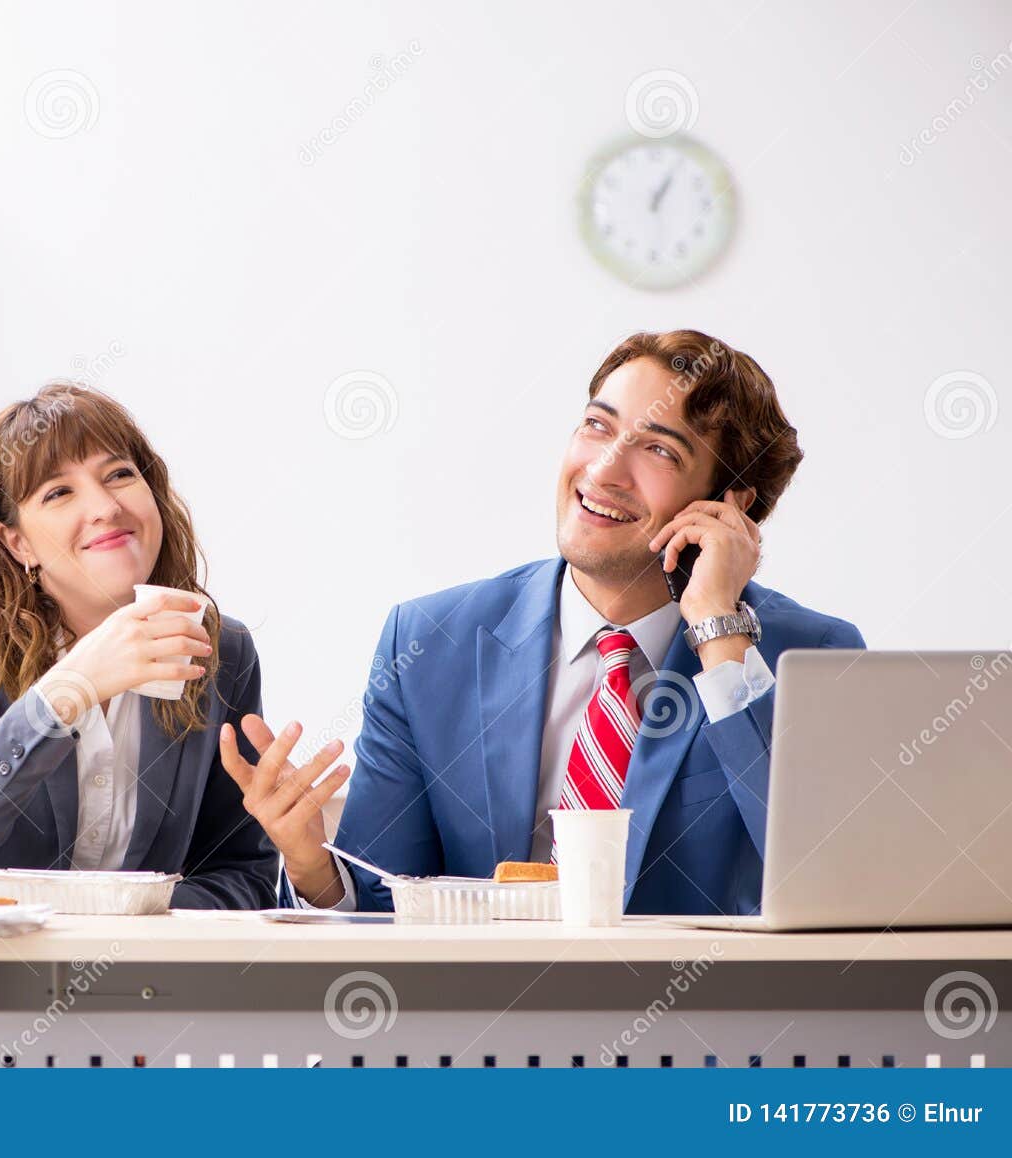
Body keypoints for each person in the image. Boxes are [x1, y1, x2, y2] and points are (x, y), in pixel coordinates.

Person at [225, 330, 864, 915]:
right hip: (487, 1006)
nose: (604, 470)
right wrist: (311, 866)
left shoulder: (812, 656)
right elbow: (384, 904)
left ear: (729, 504)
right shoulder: (430, 642)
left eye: (659, 450)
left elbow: (830, 882)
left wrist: (720, 632)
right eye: (597, 426)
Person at [0, 384, 278, 1010]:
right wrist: (63, 694)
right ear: (18, 543)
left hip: (112, 1009)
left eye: (120, 475)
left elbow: (244, 875)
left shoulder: (219, 652)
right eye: (59, 493)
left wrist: (119, 920)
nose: (106, 507)